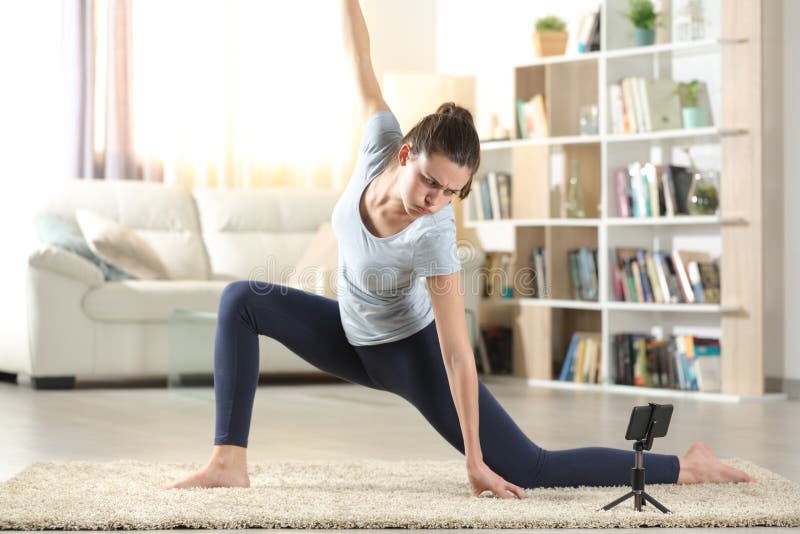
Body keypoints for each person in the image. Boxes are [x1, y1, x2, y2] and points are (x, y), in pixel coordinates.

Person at [160, 0, 754, 497]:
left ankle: (688, 465)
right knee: (242, 298)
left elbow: (456, 353)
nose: (434, 198)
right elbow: (359, 61)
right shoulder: (377, 142)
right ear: (403, 155)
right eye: (428, 181)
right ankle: (228, 463)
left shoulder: (434, 234)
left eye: (451, 191)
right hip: (348, 332)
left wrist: (474, 458)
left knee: (528, 468)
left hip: (405, 354)